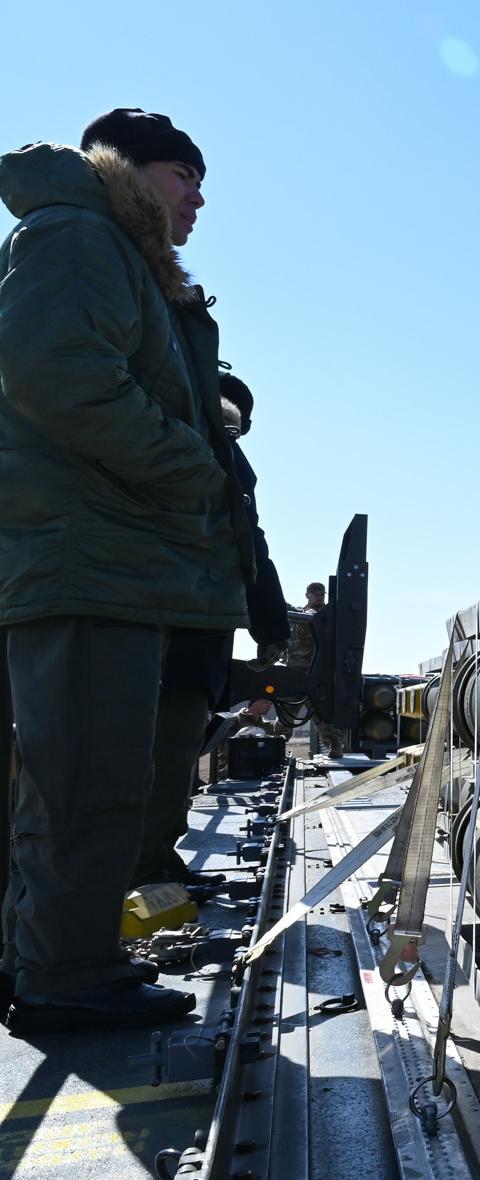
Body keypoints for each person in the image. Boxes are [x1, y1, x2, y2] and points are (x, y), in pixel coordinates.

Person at [0, 108, 253, 1031]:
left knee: (79, 774)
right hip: (87, 557)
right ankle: (68, 973)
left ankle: (41, 957)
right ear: (135, 172)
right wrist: (192, 463)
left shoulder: (109, 252)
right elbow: (55, 371)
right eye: (185, 176)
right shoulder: (81, 234)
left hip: (97, 556)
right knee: (88, 777)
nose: (195, 200)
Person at [137, 374, 290, 887]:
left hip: (143, 611)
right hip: (189, 620)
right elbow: (246, 539)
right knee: (170, 751)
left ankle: (151, 864)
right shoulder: (215, 450)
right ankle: (149, 871)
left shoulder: (149, 434)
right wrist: (271, 623)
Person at [287, 580, 346, 757]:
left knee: (322, 714)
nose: (319, 597)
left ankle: (335, 746)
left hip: (317, 671)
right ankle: (273, 748)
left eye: (322, 594)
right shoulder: (298, 613)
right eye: (316, 594)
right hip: (295, 672)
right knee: (285, 715)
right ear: (308, 595)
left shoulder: (328, 616)